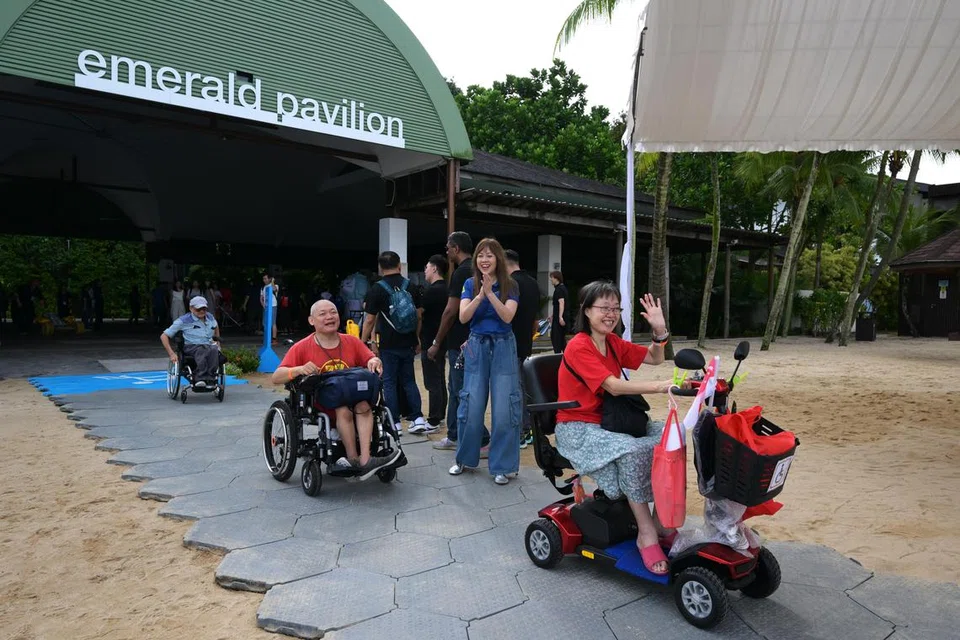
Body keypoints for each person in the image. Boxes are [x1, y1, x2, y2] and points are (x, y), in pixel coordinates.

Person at [555, 281, 676, 575]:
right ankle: (646, 533)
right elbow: (613, 386)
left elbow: (655, 357)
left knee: (671, 436)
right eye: (604, 308)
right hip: (578, 428)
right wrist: (661, 387)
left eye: (615, 308)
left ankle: (662, 522)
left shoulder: (612, 342)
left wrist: (660, 330)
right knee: (633, 450)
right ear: (586, 311)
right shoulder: (579, 346)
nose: (610, 314)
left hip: (610, 422)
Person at [272, 299, 399, 477]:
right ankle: (352, 459)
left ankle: (366, 460)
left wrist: (373, 360)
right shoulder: (302, 347)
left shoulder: (351, 341)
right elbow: (276, 377)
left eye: (333, 312)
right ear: (311, 320)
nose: (329, 317)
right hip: (324, 403)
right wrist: (298, 369)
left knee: (364, 405)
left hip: (354, 398)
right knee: (342, 409)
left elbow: (370, 358)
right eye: (322, 314)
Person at [451, 237, 521, 485]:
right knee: (471, 404)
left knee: (504, 409)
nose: (484, 260)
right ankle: (464, 459)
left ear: (498, 258)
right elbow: (463, 316)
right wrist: (481, 294)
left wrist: (491, 293)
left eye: (489, 255)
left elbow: (507, 316)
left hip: (503, 345)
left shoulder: (511, 285)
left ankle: (502, 466)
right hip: (476, 345)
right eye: (481, 255)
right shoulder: (470, 284)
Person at [429, 231, 490, 453]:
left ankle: (481, 438)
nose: (446, 251)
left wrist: (437, 341)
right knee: (461, 389)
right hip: (473, 339)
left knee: (461, 390)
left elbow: (451, 311)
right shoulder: (477, 272)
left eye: (448, 247)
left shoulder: (462, 273)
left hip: (461, 342)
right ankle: (455, 433)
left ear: (456, 248)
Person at [361, 251, 428, 436]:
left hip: (388, 343)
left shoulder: (377, 289)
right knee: (409, 380)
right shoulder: (411, 286)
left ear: (380, 268)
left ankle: (395, 423)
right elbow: (419, 315)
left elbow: (369, 320)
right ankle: (417, 419)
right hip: (408, 341)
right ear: (399, 265)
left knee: (389, 382)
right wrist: (417, 338)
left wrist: (363, 341)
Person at [505, 250, 541, 448]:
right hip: (526, 343)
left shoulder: (510, 284)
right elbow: (536, 318)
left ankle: (520, 432)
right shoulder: (533, 283)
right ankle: (528, 429)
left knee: (514, 391)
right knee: (524, 389)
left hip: (510, 344)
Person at [161, 296, 221, 387]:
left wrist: (218, 342)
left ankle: (210, 377)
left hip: (208, 345)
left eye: (204, 309)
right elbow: (164, 336)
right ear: (191, 308)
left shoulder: (210, 317)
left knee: (214, 349)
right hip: (191, 346)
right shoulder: (183, 320)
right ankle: (200, 377)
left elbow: (216, 326)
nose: (202, 311)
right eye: (198, 309)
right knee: (202, 349)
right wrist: (171, 353)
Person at [418, 254, 449, 432]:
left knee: (432, 382)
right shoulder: (447, 289)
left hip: (430, 340)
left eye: (427, 267)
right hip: (442, 339)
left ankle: (434, 419)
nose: (425, 271)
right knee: (439, 378)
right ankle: (441, 415)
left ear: (435, 268)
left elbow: (419, 315)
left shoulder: (431, 291)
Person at [548, 271, 569, 353]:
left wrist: (560, 317)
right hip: (559, 317)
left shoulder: (559, 289)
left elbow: (561, 303)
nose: (551, 280)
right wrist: (553, 315)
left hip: (559, 319)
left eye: (552, 278)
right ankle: (565, 355)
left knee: (556, 338)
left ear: (556, 278)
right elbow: (558, 305)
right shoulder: (562, 288)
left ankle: (557, 355)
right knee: (561, 339)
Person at [260, 274, 279, 342]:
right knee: (265, 323)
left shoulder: (275, 285)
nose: (264, 280)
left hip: (273, 306)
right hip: (266, 307)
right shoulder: (263, 287)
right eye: (263, 279)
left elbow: (274, 289)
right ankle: (267, 338)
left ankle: (274, 339)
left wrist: (272, 281)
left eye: (265, 278)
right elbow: (261, 298)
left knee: (273, 322)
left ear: (269, 279)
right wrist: (263, 305)